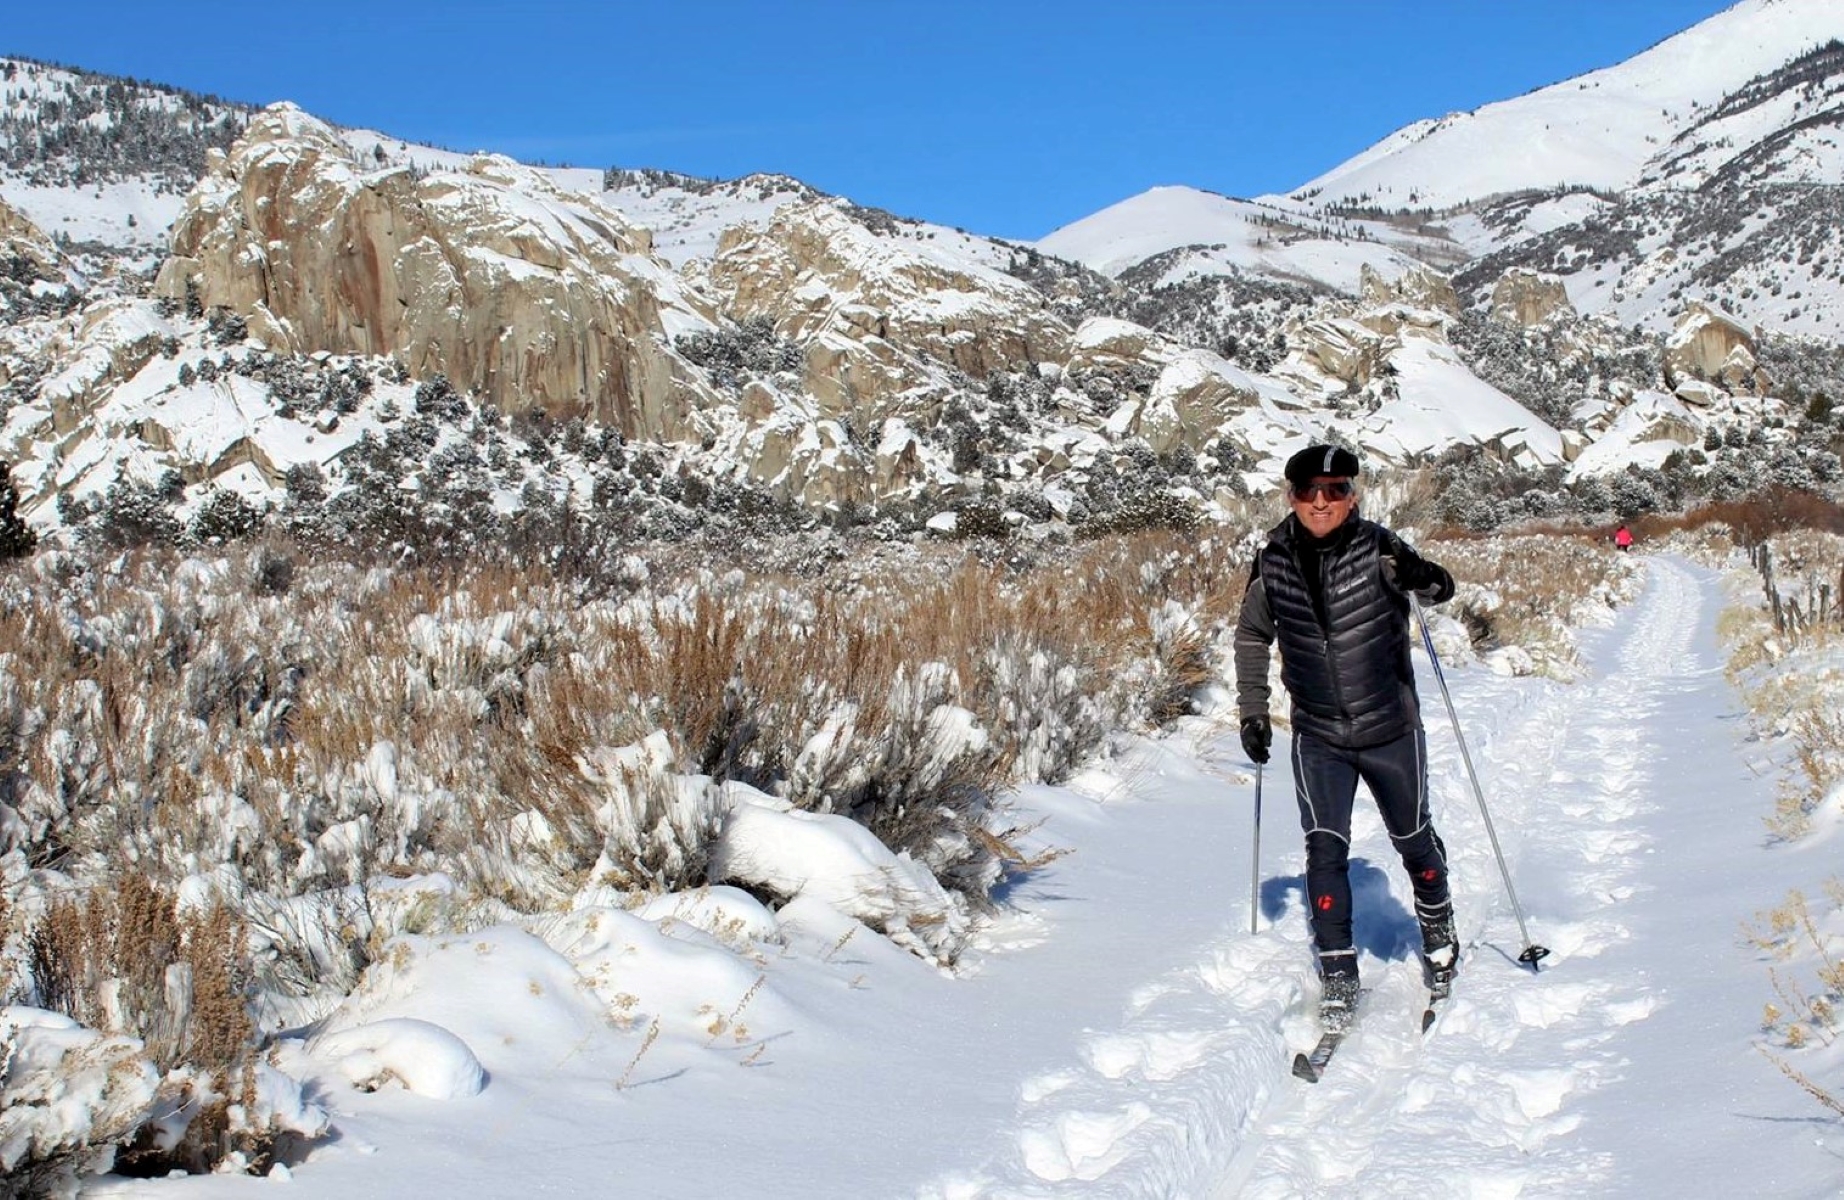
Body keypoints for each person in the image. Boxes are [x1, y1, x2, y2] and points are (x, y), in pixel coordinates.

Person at [1234, 443, 1459, 1033]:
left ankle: (1437, 928)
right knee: (1323, 851)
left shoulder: (1381, 548)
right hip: (1318, 735)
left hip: (1389, 728)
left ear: (1352, 496)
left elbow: (1440, 590)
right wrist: (1253, 711)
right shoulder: (1272, 561)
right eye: (1309, 490)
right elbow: (1252, 637)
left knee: (1412, 838)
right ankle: (1338, 974)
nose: (1320, 502)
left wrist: (1425, 576)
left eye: (1334, 491)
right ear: (1291, 497)